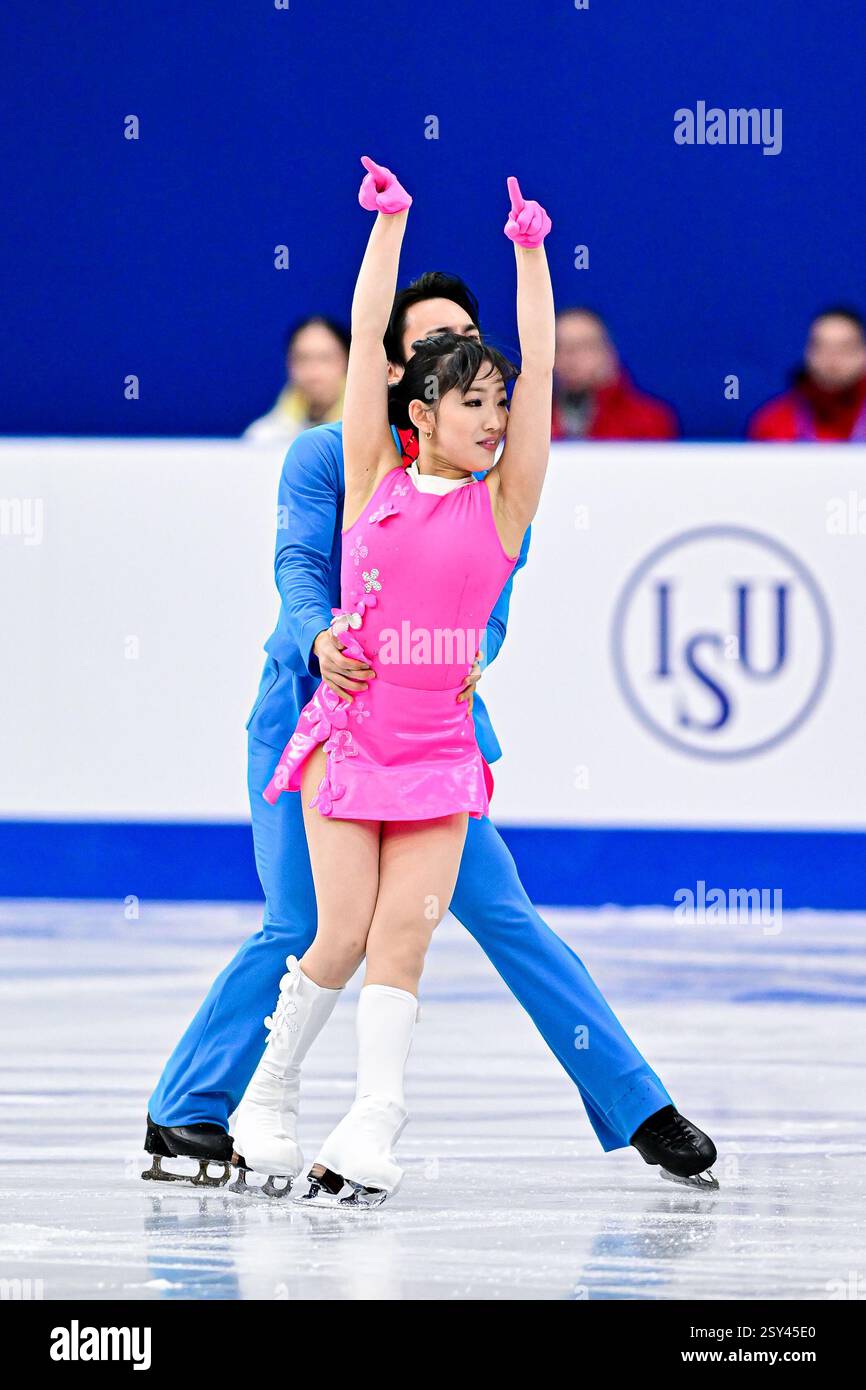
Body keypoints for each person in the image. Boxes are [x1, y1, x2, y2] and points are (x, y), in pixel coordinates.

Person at [143, 185, 716, 1203]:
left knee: (499, 920)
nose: (471, 377)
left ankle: (632, 1104)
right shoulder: (340, 456)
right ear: (406, 379)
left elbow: (483, 606)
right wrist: (319, 638)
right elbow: (296, 575)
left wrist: (532, 254)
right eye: (440, 354)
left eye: (476, 358)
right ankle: (198, 1102)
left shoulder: (498, 478)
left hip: (436, 734)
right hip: (317, 713)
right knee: (312, 924)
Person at [552, 308, 679, 441]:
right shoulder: (535, 417)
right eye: (560, 347)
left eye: (584, 346)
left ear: (608, 353)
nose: (571, 357)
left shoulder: (649, 420)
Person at [748, 306, 866, 442]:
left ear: (863, 354)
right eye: (821, 347)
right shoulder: (773, 422)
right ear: (808, 353)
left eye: (845, 348)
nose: (832, 359)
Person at [244, 316, 349, 445]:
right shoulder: (263, 436)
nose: (313, 372)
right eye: (303, 359)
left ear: (347, 362)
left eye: (325, 358)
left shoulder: (368, 432)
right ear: (289, 364)